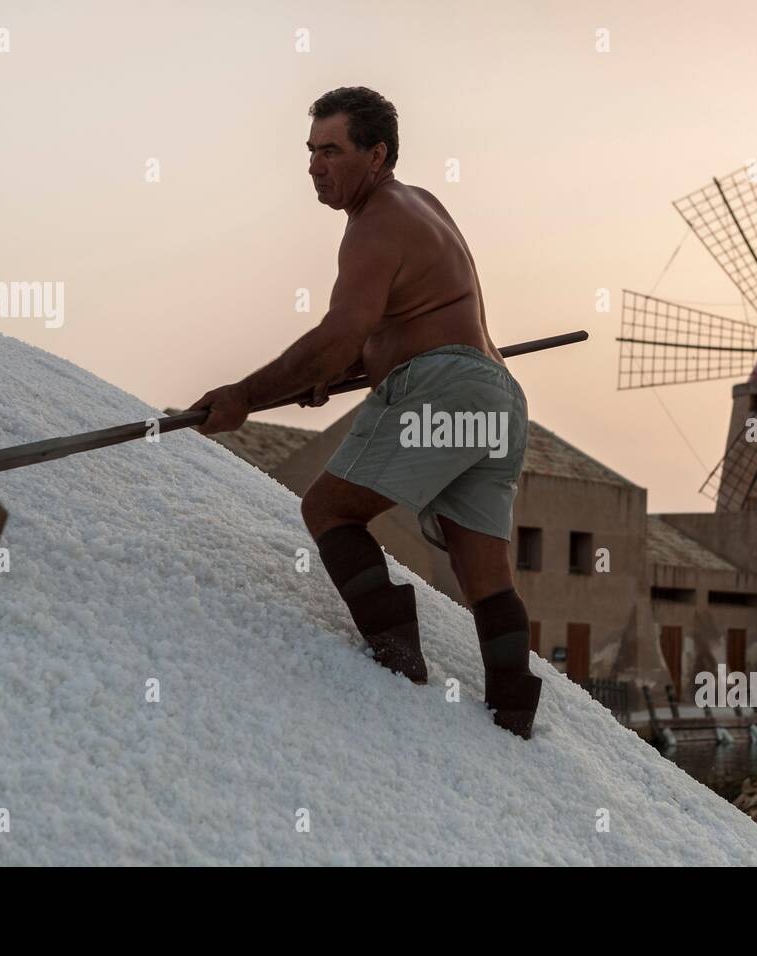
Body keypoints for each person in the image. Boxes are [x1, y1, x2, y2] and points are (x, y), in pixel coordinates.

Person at [189, 87, 540, 738]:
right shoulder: (422, 206)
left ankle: (397, 670)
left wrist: (244, 396)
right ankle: (515, 717)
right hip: (495, 399)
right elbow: (391, 329)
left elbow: (343, 333)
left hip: (441, 386)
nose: (316, 166)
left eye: (333, 150)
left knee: (328, 509)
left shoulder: (375, 221)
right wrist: (339, 369)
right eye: (311, 151)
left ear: (376, 155)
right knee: (482, 571)